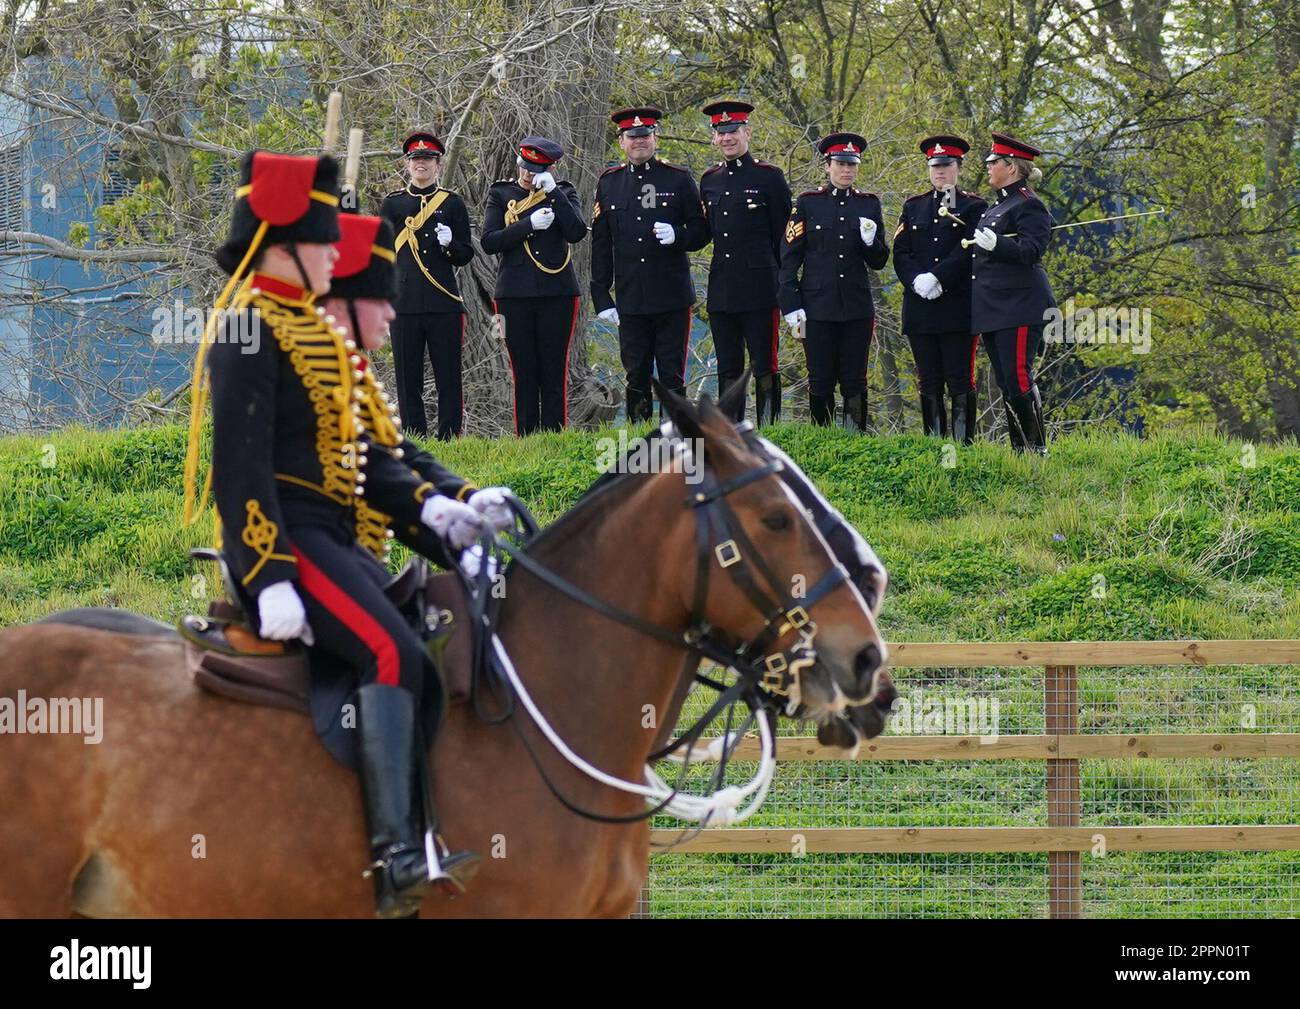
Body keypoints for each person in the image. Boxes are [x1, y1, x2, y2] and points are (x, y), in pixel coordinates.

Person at [185, 153, 508, 917]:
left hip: (334, 533)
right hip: (294, 539)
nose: (337, 253)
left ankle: (417, 830)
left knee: (416, 639)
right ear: (283, 244)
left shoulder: (312, 331)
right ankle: (394, 854)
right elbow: (240, 470)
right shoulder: (247, 326)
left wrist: (437, 508)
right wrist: (268, 577)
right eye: (323, 239)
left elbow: (369, 458)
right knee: (390, 649)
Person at [590, 106, 709, 422]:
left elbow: (701, 230)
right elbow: (601, 245)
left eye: (645, 136)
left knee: (672, 375)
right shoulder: (609, 183)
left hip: (671, 294)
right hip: (631, 297)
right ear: (622, 142)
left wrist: (679, 235)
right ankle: (641, 438)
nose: (639, 142)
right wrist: (601, 296)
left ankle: (678, 438)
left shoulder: (679, 179)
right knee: (636, 373)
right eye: (633, 137)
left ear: (655, 138)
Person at [778, 132, 890, 430]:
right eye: (840, 164)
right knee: (820, 378)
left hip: (856, 305)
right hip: (816, 306)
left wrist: (870, 241)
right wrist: (791, 303)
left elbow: (879, 260)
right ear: (827, 166)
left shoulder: (868, 205)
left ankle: (854, 441)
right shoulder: (808, 203)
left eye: (852, 165)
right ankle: (823, 441)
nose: (846, 170)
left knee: (855, 378)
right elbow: (789, 257)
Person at [480, 136, 588, 434]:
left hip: (558, 292)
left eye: (536, 170)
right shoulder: (501, 194)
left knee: (554, 369)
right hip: (514, 293)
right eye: (525, 167)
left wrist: (553, 194)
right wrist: (527, 226)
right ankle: (526, 436)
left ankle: (554, 435)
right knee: (523, 371)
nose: (528, 174)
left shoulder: (563, 192)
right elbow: (490, 241)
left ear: (549, 170)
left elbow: (577, 231)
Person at [698, 100, 792, 424]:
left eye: (733, 131)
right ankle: (730, 432)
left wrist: (785, 286)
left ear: (747, 132)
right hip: (722, 287)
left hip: (761, 288)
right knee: (728, 366)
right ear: (714, 137)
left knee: (765, 363)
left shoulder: (769, 178)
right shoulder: (709, 180)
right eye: (720, 133)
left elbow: (784, 238)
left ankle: (769, 430)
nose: (727, 138)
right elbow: (703, 232)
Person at [379, 130, 475, 440]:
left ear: (438, 164)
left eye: (428, 159)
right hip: (403, 302)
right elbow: (381, 253)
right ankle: (414, 435)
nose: (422, 164)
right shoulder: (392, 205)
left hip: (443, 301)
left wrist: (449, 245)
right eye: (416, 159)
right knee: (408, 378)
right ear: (407, 164)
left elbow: (465, 255)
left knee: (448, 374)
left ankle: (449, 435)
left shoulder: (452, 203)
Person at [892, 135, 988, 442]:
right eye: (935, 167)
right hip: (921, 307)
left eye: (946, 166)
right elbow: (901, 251)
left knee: (960, 380)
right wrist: (916, 280)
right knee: (928, 380)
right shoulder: (914, 206)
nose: (940, 173)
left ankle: (962, 448)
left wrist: (939, 277)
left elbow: (969, 251)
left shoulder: (973, 206)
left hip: (957, 306)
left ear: (958, 167)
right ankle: (934, 447)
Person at [970, 132, 1055, 454]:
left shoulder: (1029, 204)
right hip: (994, 304)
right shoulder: (1001, 204)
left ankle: (1035, 449)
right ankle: (1020, 449)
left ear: (1012, 166)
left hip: (1019, 303)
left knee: (1019, 377)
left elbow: (1032, 250)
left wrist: (1000, 244)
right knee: (1006, 379)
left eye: (994, 162)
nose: (988, 166)